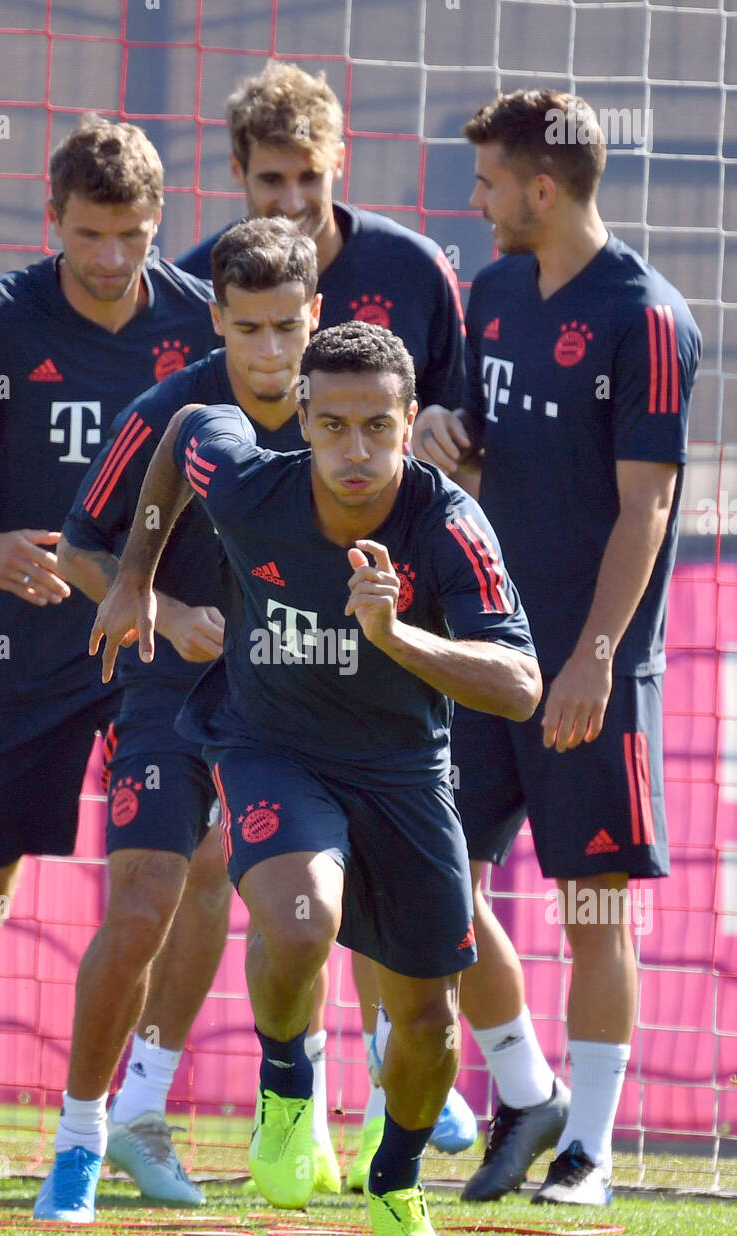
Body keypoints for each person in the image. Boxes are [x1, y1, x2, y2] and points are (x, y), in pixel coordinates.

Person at [89, 322, 541, 1236]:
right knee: (299, 925)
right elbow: (186, 431)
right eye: (332, 426)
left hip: (406, 776)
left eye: (379, 426)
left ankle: (398, 1185)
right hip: (271, 746)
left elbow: (518, 682)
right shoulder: (251, 485)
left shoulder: (449, 521)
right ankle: (288, 1086)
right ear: (302, 419)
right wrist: (135, 574)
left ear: (412, 424)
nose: (356, 451)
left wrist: (399, 638)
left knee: (426, 1022)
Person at [0, 114, 218, 1188]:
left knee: (177, 876)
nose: (111, 259)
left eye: (130, 234)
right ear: (52, 221)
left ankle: (138, 1114)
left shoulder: (206, 328)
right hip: (16, 650)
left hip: (155, 655)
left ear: (158, 223)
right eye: (88, 235)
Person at [177, 59, 477, 1166]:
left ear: (336, 167)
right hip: (257, 638)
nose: (291, 202)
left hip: (400, 656)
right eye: (269, 182)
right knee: (252, 885)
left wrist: (436, 464)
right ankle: (252, 1086)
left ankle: (407, 1083)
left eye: (308, 177)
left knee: (417, 905)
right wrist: (137, 583)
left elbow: (457, 410)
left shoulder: (412, 269)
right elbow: (184, 431)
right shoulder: (222, 317)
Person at [418, 89, 701, 1205]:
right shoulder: (488, 293)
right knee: (438, 879)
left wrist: (592, 658)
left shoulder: (646, 318)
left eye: (486, 181)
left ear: (541, 189)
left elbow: (646, 510)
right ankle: (521, 1082)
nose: (474, 199)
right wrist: (442, 437)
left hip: (590, 669)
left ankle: (583, 1150)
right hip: (484, 652)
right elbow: (478, 455)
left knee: (591, 909)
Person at [34, 217, 324, 1220]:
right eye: (248, 329)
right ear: (216, 319)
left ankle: (192, 1099)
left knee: (274, 890)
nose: (272, 351)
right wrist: (156, 608)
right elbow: (79, 546)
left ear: (314, 317)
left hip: (294, 691)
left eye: (288, 326)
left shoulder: (346, 409)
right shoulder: (168, 407)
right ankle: (79, 1136)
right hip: (166, 686)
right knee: (144, 903)